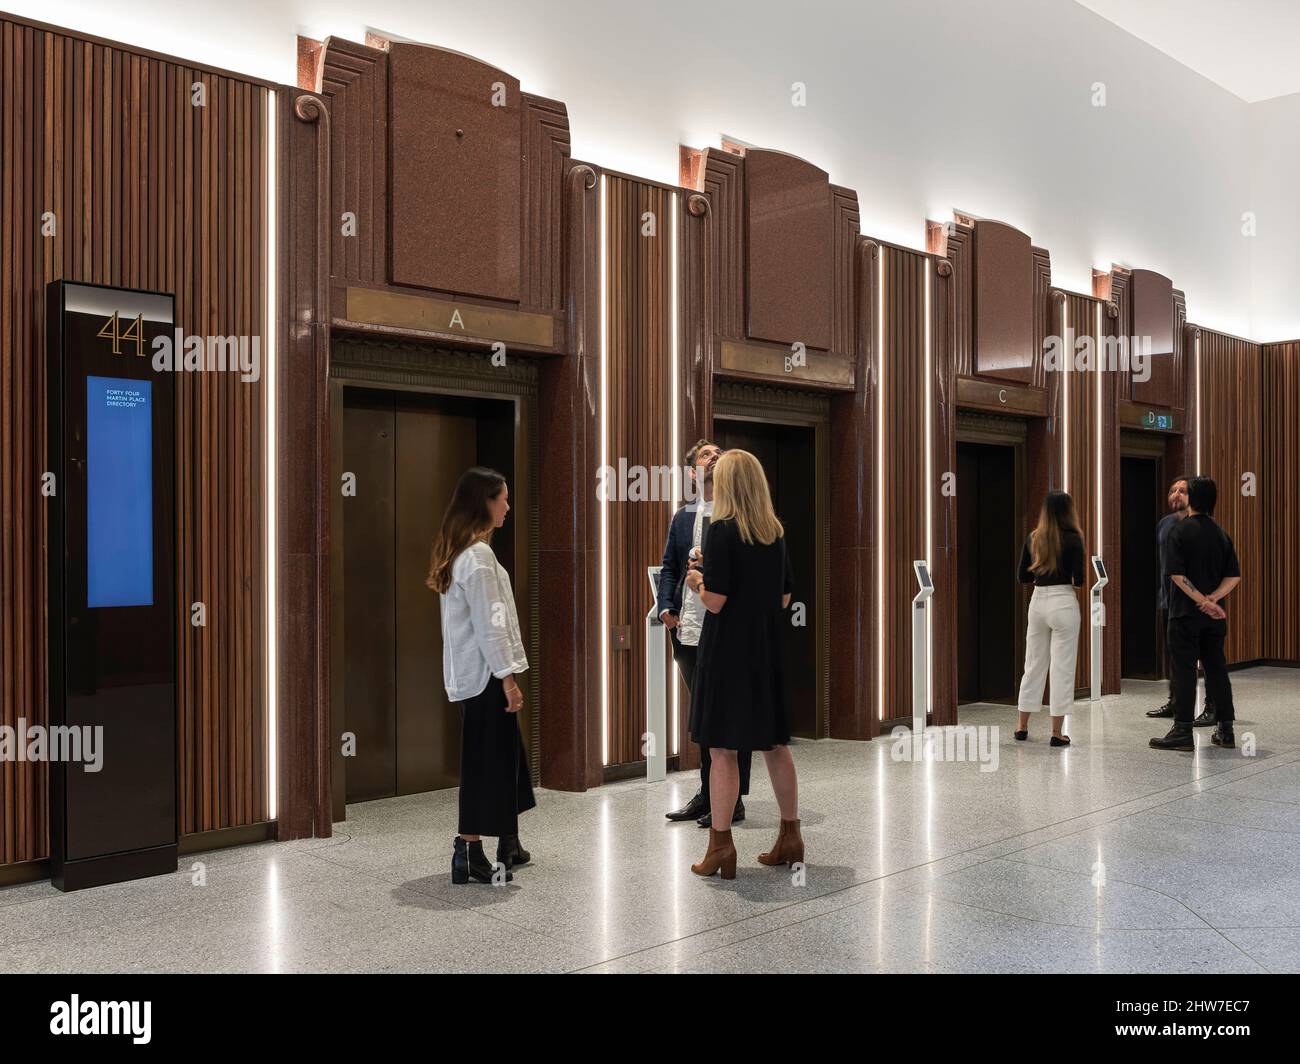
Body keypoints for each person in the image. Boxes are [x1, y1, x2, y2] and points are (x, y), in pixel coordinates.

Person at [685, 449, 801, 879]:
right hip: (766, 648)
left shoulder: (721, 531)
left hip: (727, 652)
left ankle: (720, 847)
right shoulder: (775, 533)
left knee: (722, 750)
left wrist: (697, 579)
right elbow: (784, 597)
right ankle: (791, 836)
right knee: (774, 744)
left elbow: (715, 601)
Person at [426, 467, 535, 884]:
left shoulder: (461, 552)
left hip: (472, 675)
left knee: (503, 759)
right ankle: (468, 848)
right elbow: (491, 623)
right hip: (487, 676)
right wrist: (507, 677)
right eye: (502, 499)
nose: (508, 506)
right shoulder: (478, 556)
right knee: (485, 762)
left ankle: (506, 840)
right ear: (484, 502)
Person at [658, 439, 751, 828]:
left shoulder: (739, 514)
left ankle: (734, 799)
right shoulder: (682, 517)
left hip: (725, 627)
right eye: (705, 455)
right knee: (703, 716)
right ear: (694, 472)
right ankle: (707, 792)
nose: (713, 457)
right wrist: (667, 608)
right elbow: (668, 566)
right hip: (689, 632)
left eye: (717, 453)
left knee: (731, 715)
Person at [1150, 476, 1240, 751]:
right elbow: (1234, 576)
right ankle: (1225, 730)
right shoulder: (1221, 533)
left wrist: (1201, 600)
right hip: (1214, 618)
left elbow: (1176, 575)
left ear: (1192, 499)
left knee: (1184, 671)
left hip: (1184, 614)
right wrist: (1214, 600)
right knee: (1216, 670)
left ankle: (1182, 731)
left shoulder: (1180, 530)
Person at [1014, 490, 1085, 746]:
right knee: (1062, 667)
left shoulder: (1033, 537)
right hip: (1064, 601)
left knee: (1033, 663)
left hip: (1038, 601)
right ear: (1068, 511)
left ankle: (1021, 726)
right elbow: (1080, 579)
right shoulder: (1074, 539)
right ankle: (1056, 732)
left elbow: (1022, 576)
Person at [1147, 475, 1217, 724]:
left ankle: (1213, 706)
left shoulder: (1203, 526)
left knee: (1207, 657)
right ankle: (1176, 702)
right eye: (1172, 490)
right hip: (1169, 600)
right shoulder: (1165, 524)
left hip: (1197, 601)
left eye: (1183, 491)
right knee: (1176, 656)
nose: (1176, 494)